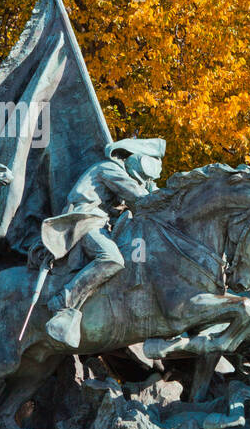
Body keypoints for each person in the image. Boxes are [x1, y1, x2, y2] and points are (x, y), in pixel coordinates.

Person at [41, 137, 165, 348]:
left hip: (101, 222)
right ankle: (64, 300)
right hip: (85, 220)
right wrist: (162, 194)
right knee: (112, 258)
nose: (140, 181)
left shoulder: (116, 171)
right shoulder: (109, 168)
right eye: (141, 178)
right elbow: (138, 196)